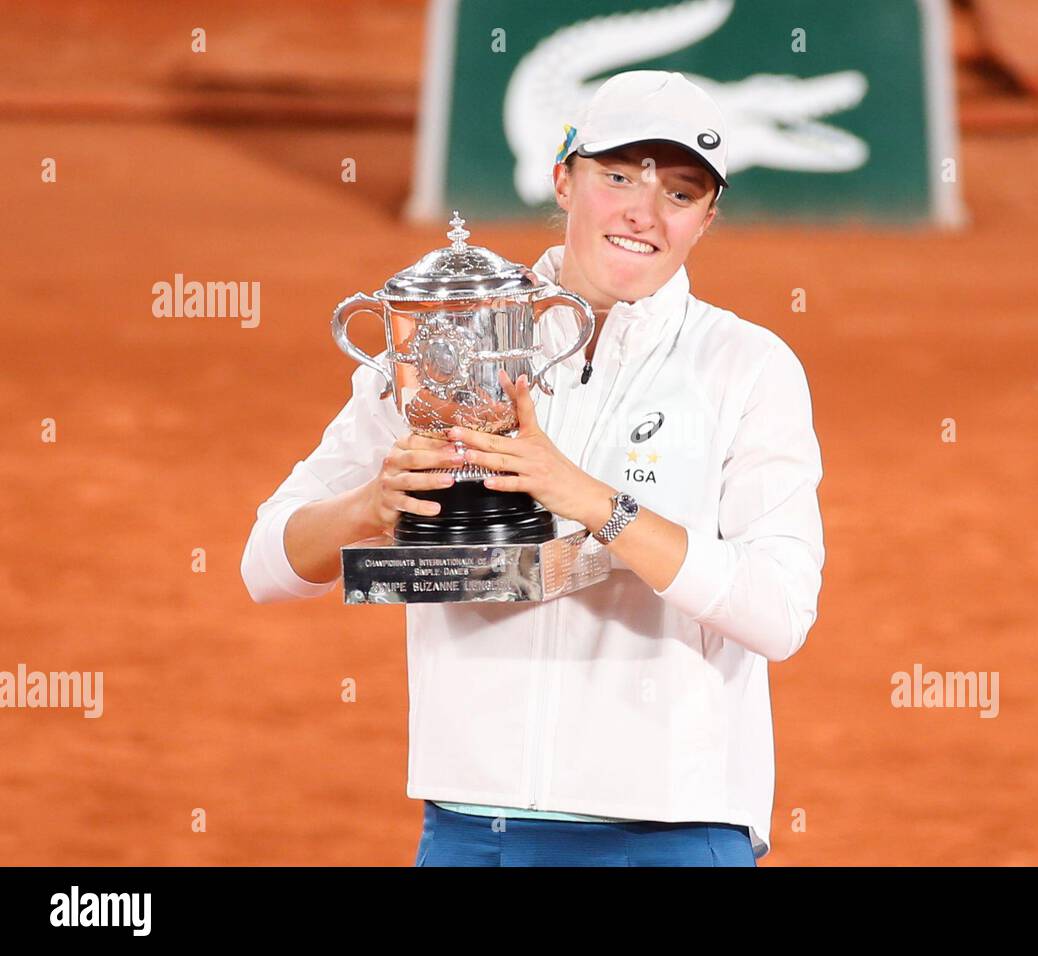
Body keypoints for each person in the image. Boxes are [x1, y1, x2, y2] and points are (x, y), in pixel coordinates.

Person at [240, 70, 825, 866]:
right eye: (617, 176)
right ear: (563, 177)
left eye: (681, 194)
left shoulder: (748, 365)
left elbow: (780, 614)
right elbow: (266, 565)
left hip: (671, 831)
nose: (643, 213)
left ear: (706, 219)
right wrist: (371, 508)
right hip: (470, 828)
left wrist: (591, 502)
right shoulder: (450, 339)